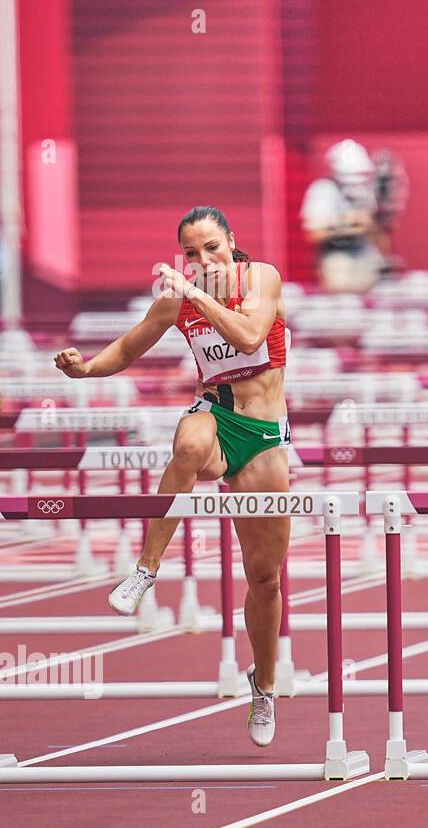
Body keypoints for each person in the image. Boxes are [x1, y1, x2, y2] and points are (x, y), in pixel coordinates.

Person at [53, 206, 291, 746]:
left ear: (231, 242)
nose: (202, 259)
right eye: (190, 252)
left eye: (211, 247)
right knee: (187, 442)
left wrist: (197, 291)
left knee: (266, 578)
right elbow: (130, 345)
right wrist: (85, 368)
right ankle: (146, 569)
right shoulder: (178, 300)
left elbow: (252, 336)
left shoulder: (262, 278)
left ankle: (265, 685)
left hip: (264, 439)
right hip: (217, 420)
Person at [300, 139, 384, 293]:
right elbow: (314, 234)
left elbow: (374, 229)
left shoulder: (365, 191)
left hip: (365, 255)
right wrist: (344, 226)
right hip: (337, 259)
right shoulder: (323, 191)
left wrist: (366, 225)